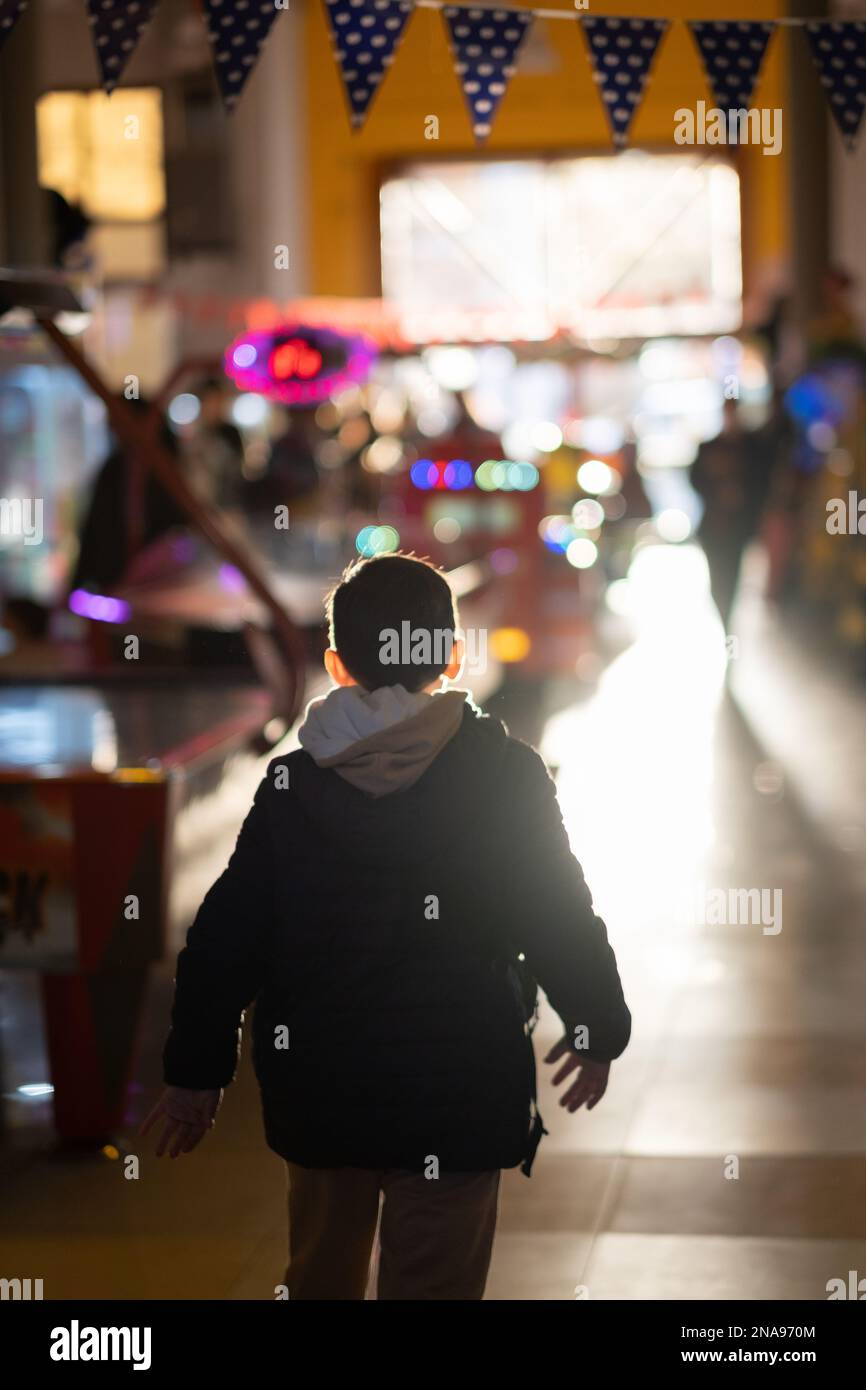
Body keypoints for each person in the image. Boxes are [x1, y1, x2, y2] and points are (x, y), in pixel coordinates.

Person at [141, 553, 631, 1301]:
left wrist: (195, 1072)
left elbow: (227, 934)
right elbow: (556, 908)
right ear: (454, 656)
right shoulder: (506, 774)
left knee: (321, 1278)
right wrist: (596, 1023)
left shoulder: (292, 786)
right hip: (461, 1091)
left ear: (337, 664)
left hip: (323, 1089)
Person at [691, 398, 773, 630]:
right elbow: (696, 480)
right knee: (717, 577)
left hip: (738, 528)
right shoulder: (709, 447)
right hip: (714, 527)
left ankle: (728, 620)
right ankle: (723, 616)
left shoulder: (752, 448)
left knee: (733, 575)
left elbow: (762, 483)